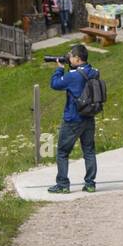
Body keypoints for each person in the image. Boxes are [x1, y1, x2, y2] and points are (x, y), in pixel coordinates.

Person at [47, 44, 100, 194]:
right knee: (89, 150)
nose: (69, 58)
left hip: (73, 119)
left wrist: (59, 68)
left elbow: (55, 84)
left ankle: (63, 184)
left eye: (71, 56)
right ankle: (90, 184)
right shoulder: (94, 72)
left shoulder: (73, 76)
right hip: (89, 117)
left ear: (77, 58)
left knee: (63, 152)